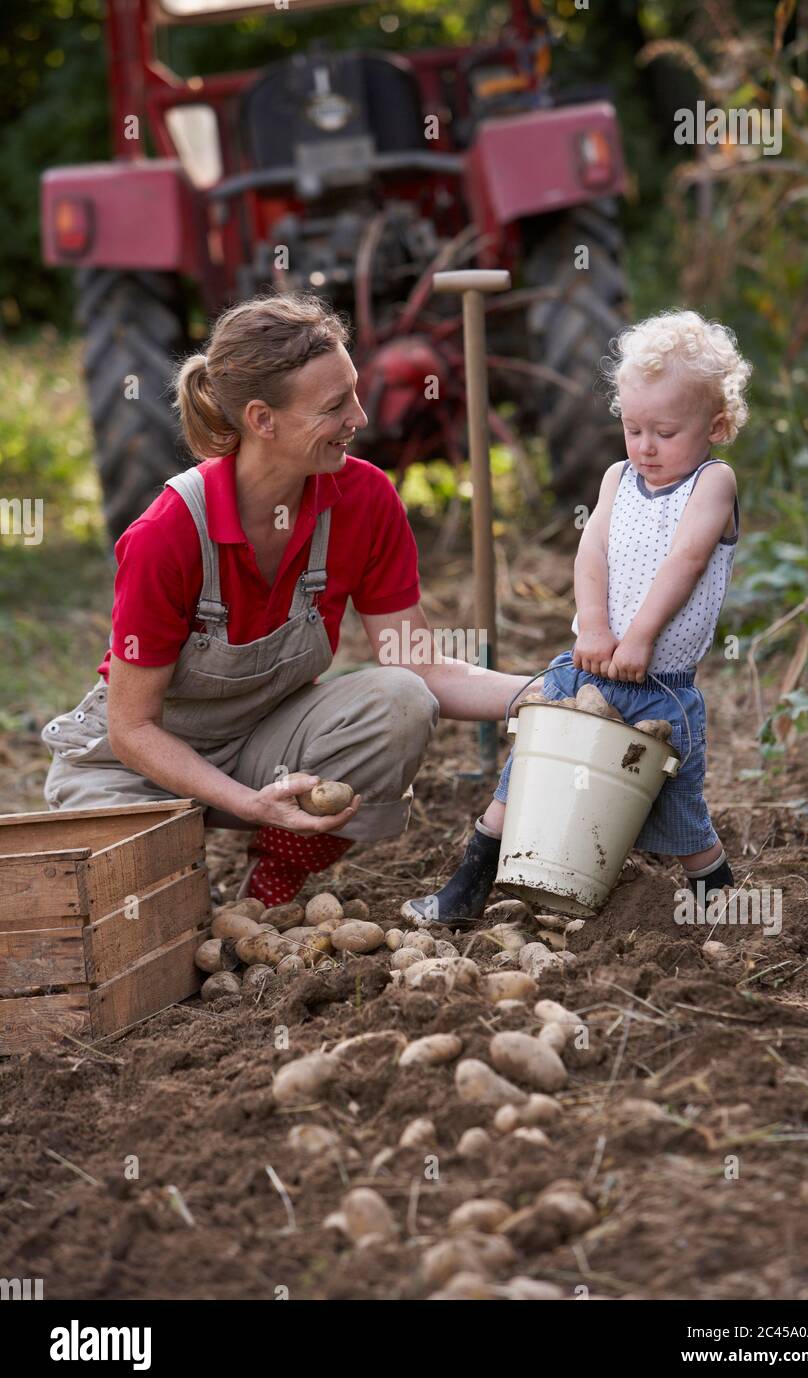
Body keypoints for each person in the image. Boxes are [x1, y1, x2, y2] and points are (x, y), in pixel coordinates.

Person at [41, 293, 535, 907]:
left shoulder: (365, 500)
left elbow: (421, 667)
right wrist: (250, 804)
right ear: (261, 419)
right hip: (134, 769)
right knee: (148, 924)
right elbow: (132, 729)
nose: (360, 417)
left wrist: (532, 695)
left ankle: (271, 887)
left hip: (262, 744)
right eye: (334, 406)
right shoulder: (167, 534)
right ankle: (182, 875)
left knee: (401, 700)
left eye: (354, 391)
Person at [402, 308, 750, 926]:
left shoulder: (712, 484)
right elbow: (592, 551)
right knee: (525, 776)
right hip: (587, 668)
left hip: (660, 689)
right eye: (633, 427)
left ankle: (716, 899)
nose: (645, 446)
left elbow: (687, 560)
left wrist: (639, 638)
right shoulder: (618, 477)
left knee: (679, 813)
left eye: (665, 433)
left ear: (715, 425)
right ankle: (468, 889)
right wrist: (594, 626)